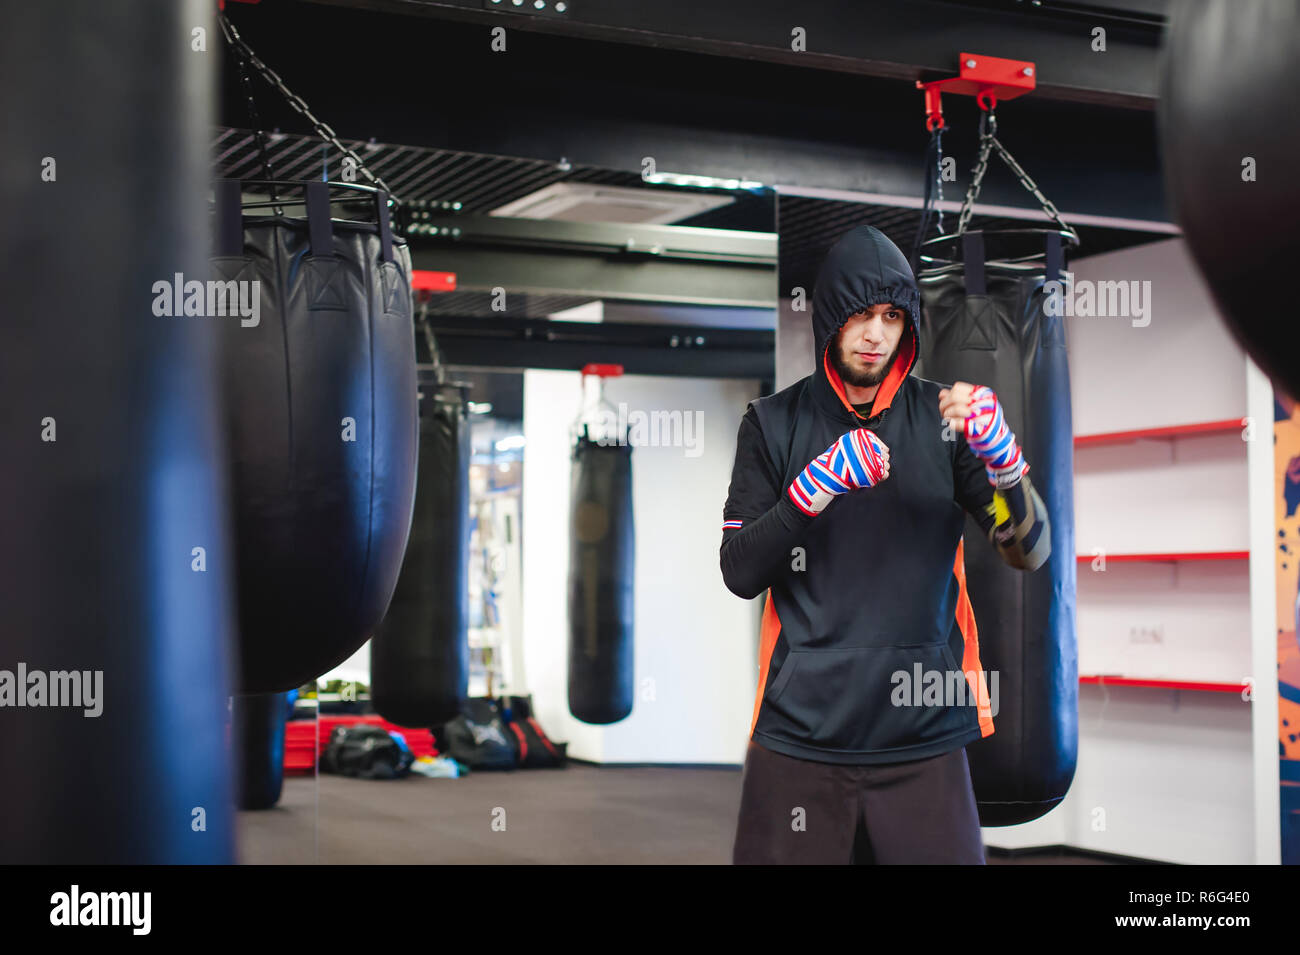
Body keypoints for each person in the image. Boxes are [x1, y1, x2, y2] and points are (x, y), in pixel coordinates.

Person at [720, 225, 1050, 864]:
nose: (876, 333)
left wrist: (1007, 469)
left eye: (892, 316)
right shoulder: (772, 424)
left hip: (923, 728)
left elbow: (1027, 550)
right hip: (801, 731)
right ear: (830, 319)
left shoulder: (947, 420)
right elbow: (739, 570)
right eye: (861, 315)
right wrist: (809, 491)